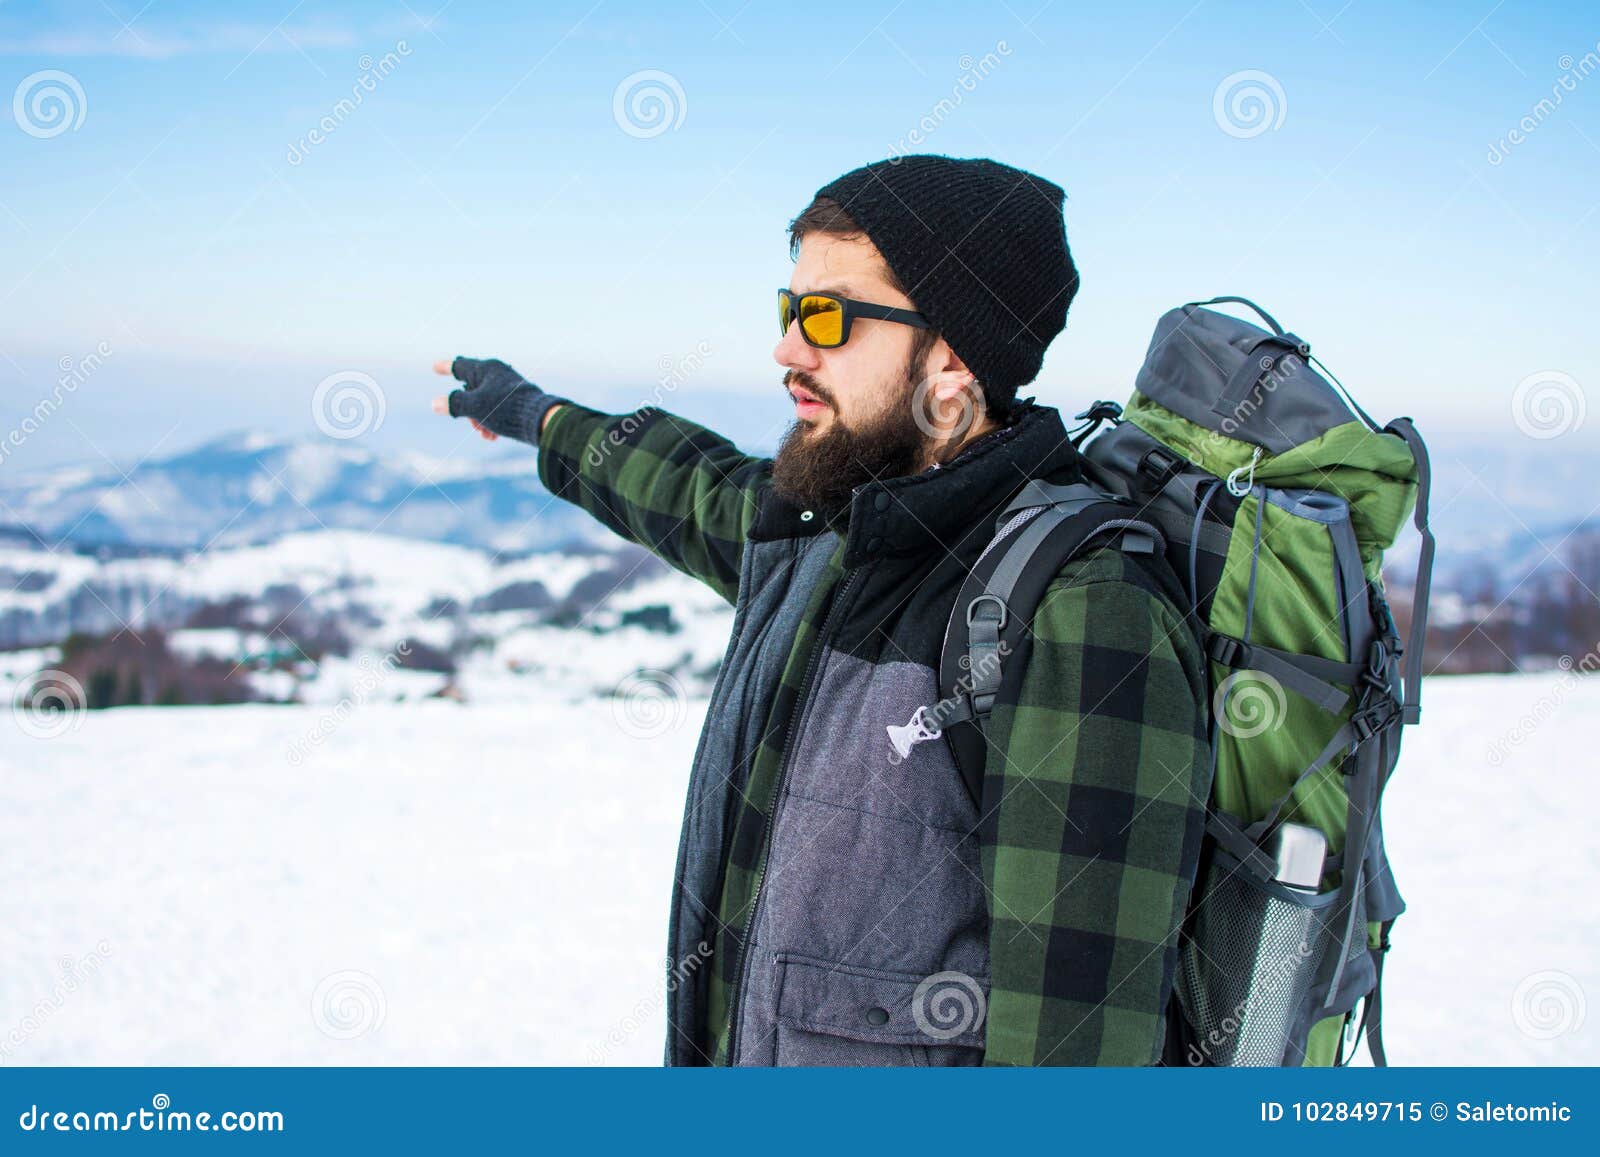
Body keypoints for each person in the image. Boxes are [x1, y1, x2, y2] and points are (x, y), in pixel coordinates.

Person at [430, 155, 1209, 1066]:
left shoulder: (1081, 611)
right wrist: (537, 415)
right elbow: (688, 486)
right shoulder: (829, 529)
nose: (789, 350)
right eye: (789, 311)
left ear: (952, 357)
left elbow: (1079, 1058)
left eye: (828, 318)